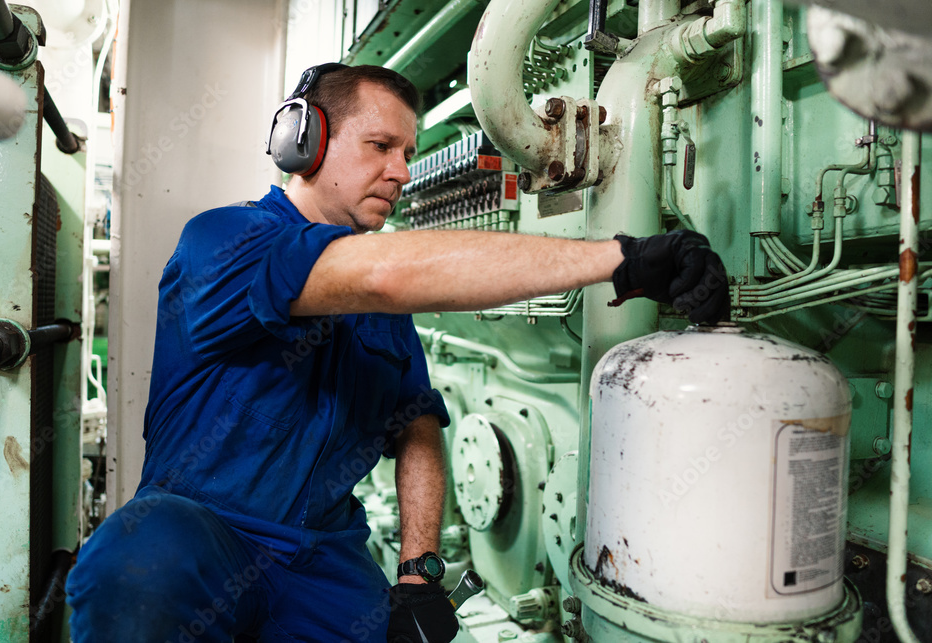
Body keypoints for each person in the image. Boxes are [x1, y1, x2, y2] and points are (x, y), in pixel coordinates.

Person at [65, 64, 728, 643]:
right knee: (140, 554)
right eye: (381, 146)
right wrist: (623, 259)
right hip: (208, 532)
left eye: (408, 152)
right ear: (306, 141)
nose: (402, 172)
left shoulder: (385, 306)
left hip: (324, 551)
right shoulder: (226, 240)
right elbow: (380, 273)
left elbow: (415, 425)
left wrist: (418, 571)